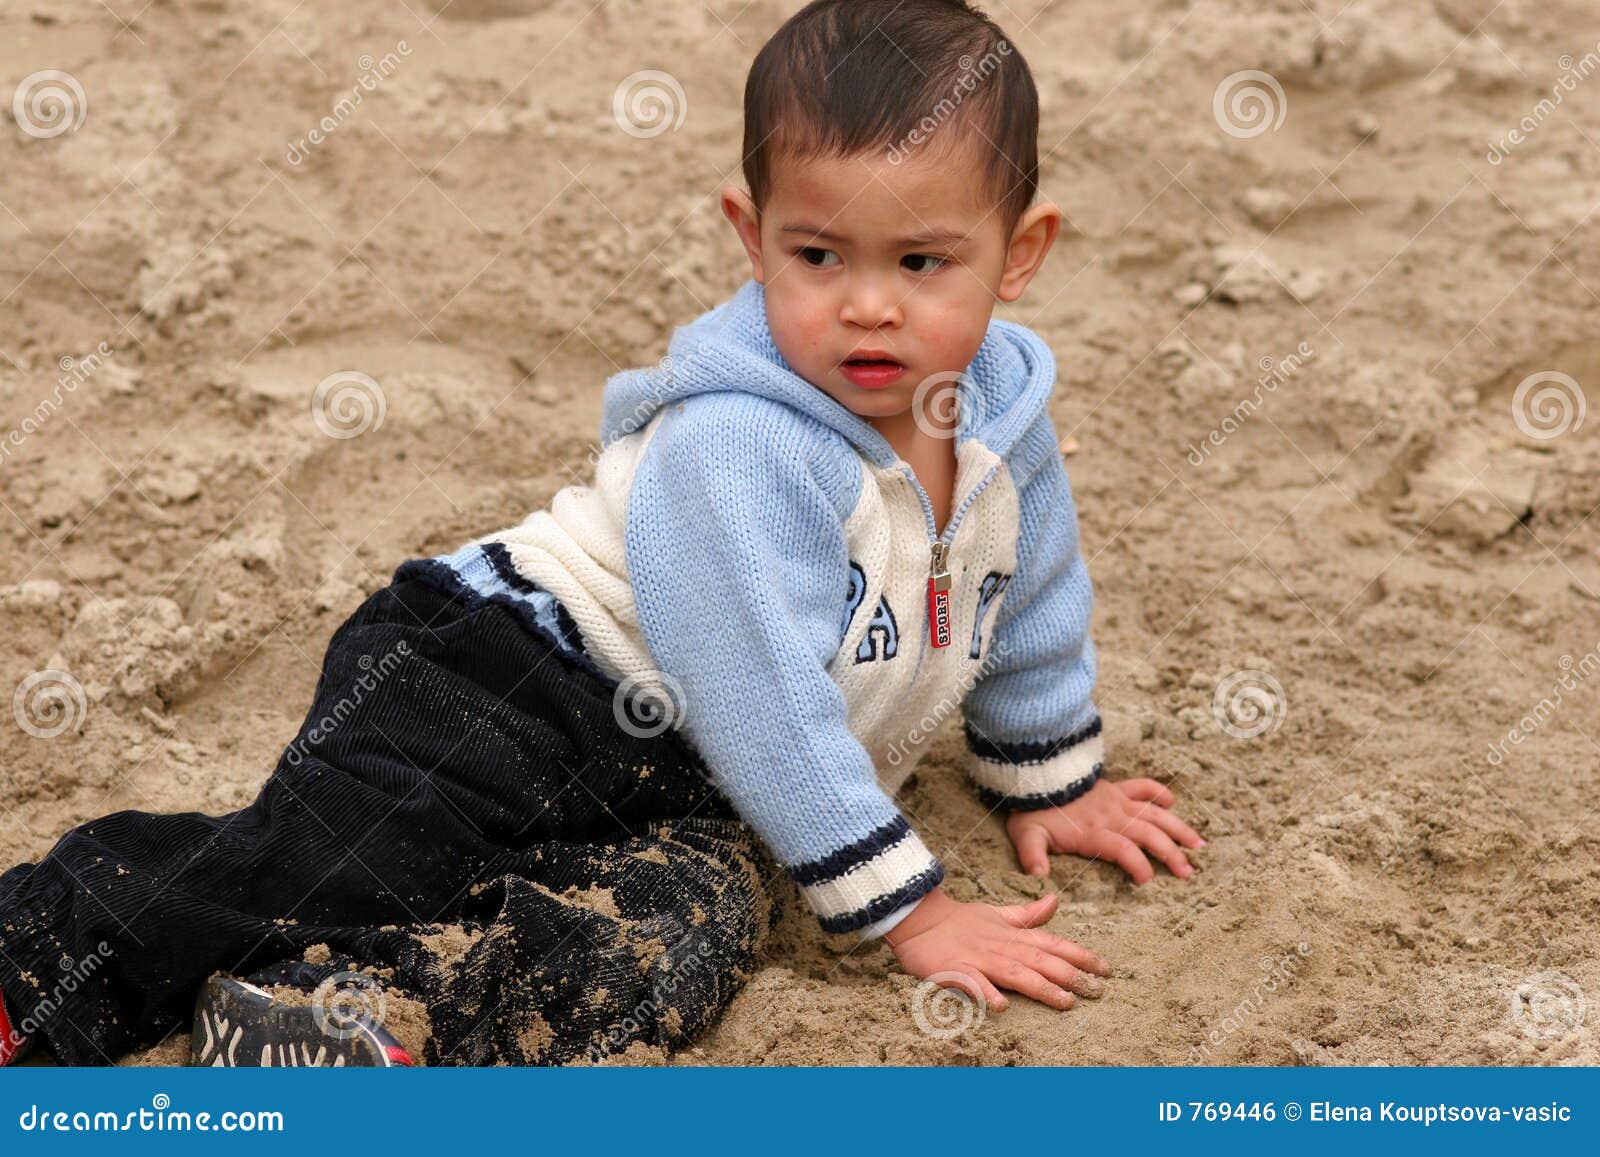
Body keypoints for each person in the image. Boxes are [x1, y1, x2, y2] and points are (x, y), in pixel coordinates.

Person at [0, 0, 1201, 1068]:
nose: (868, 303)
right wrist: (913, 913)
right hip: (511, 677)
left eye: (923, 260)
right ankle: (30, 965)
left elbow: (1028, 589)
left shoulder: (998, 421)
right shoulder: (741, 441)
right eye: (818, 254)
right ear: (752, 232)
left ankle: (353, 1017)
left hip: (696, 781)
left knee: (686, 932)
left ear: (1020, 254)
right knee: (340, 856)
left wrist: (1047, 772)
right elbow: (755, 687)